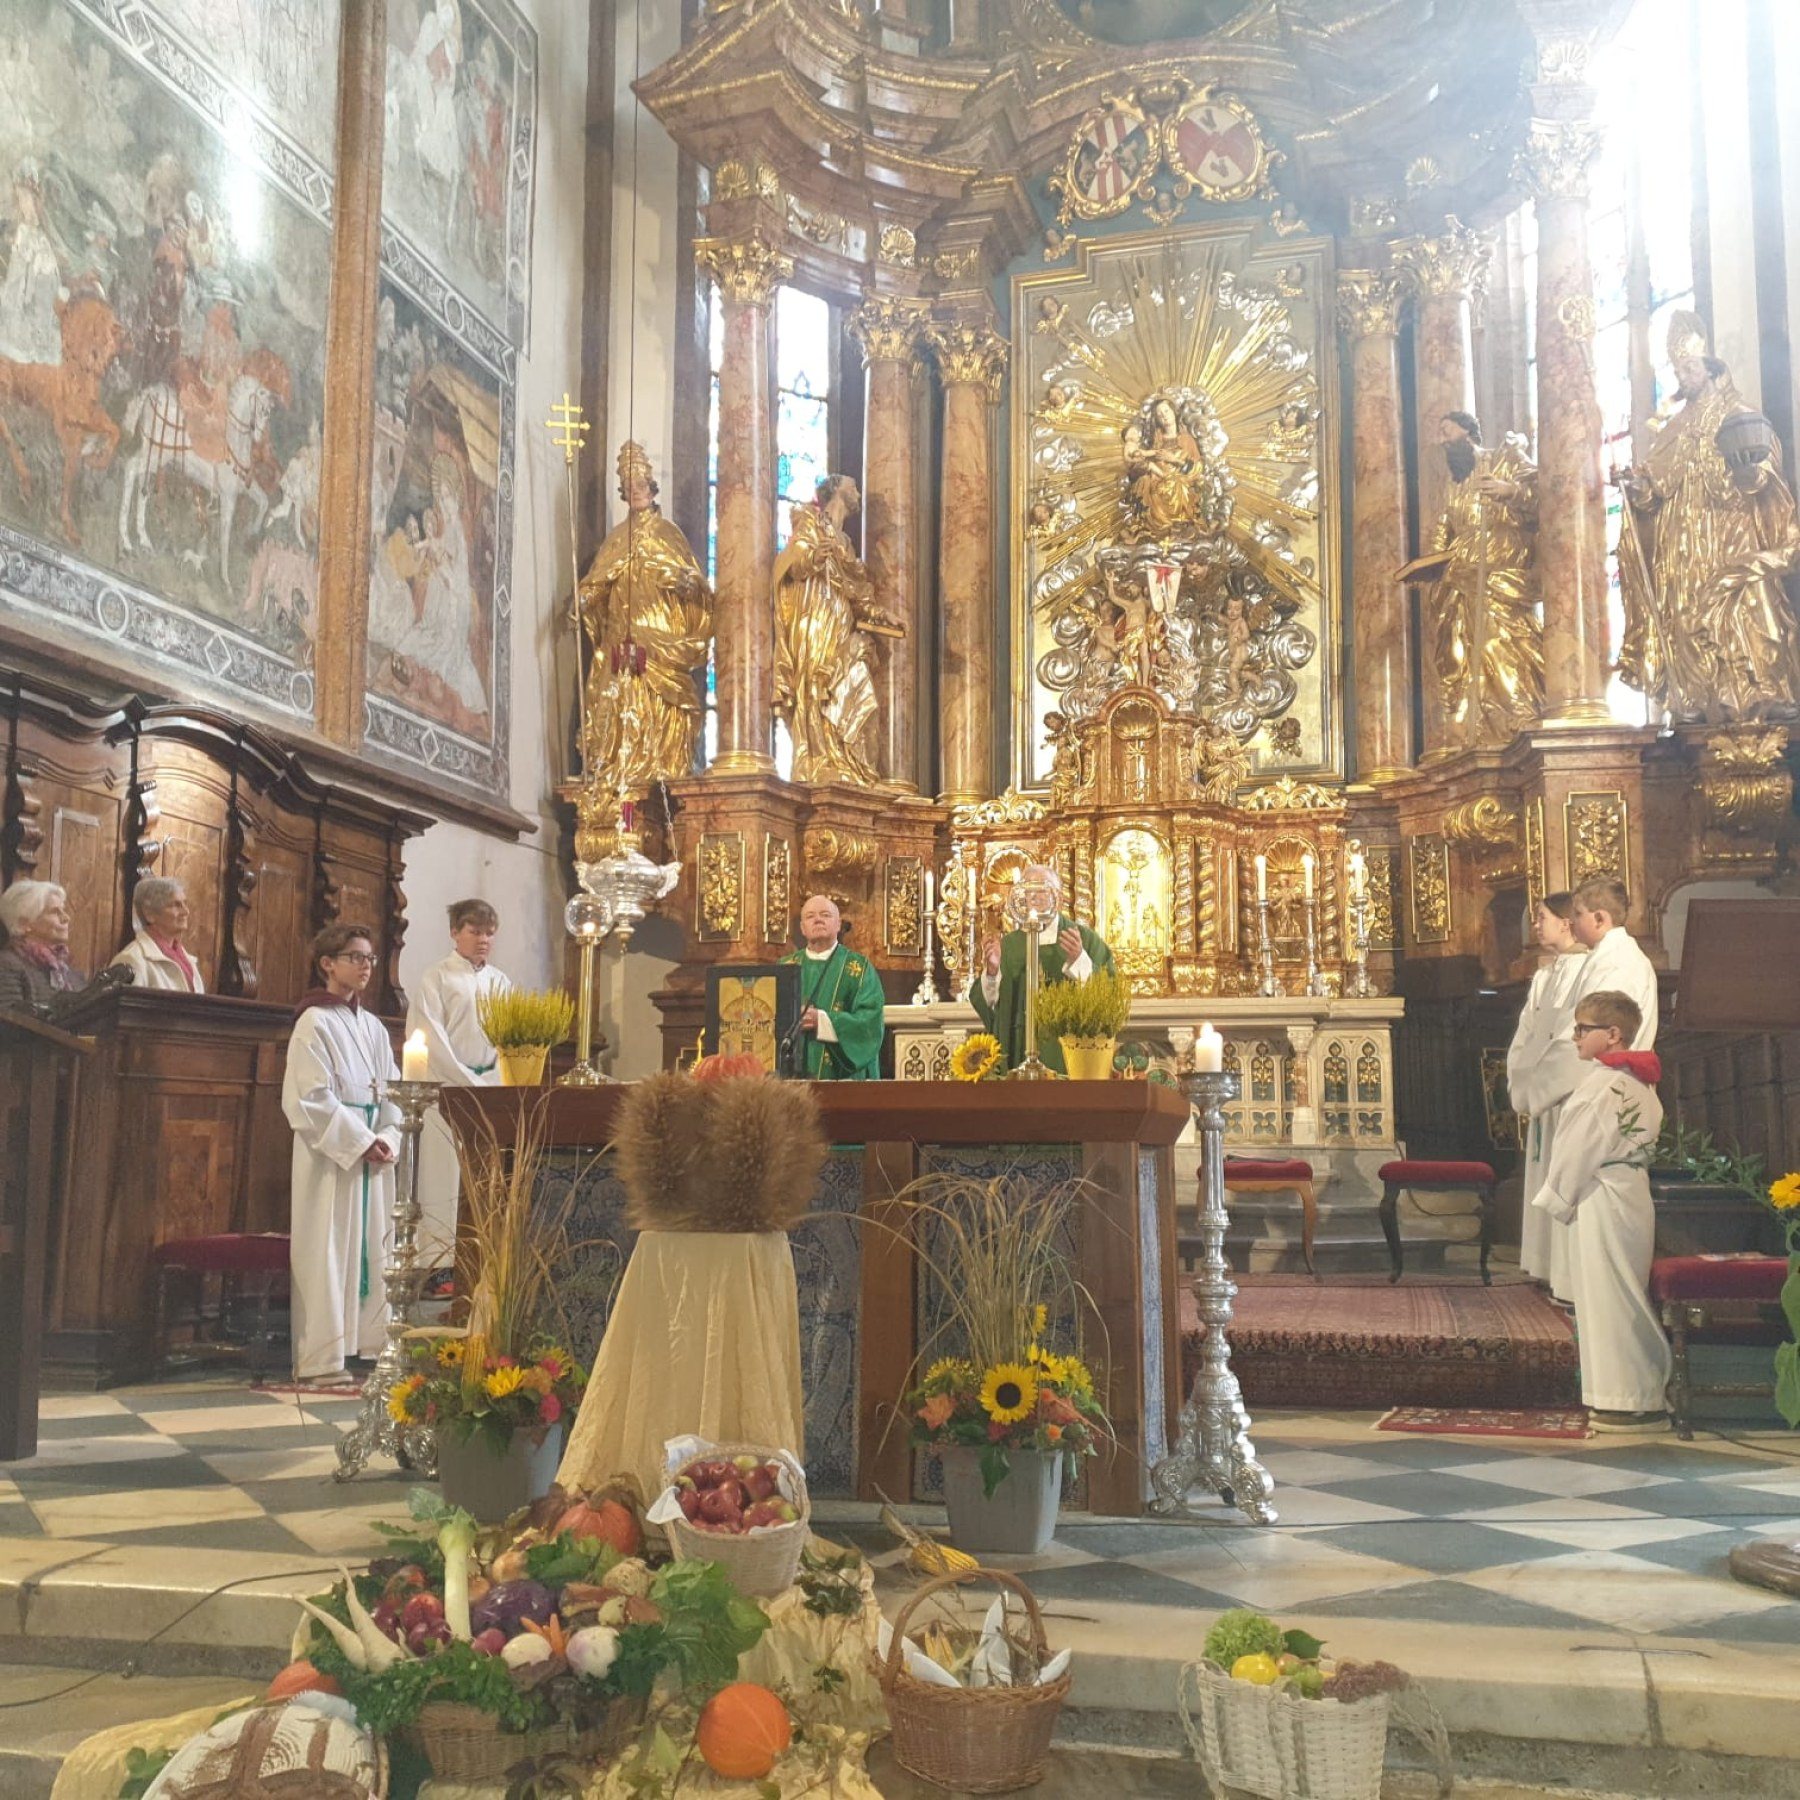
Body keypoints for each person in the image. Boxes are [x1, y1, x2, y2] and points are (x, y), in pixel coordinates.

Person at [1617, 311, 1800, 723]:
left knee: (1745, 600)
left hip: (1731, 524)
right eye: (1678, 368)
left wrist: (1751, 472)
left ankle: (1760, 689)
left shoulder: (1738, 412)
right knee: (1685, 612)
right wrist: (1635, 485)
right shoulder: (1674, 426)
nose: (1683, 375)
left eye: (1690, 366)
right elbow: (1655, 488)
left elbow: (1763, 470)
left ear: (1710, 366)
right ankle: (1697, 697)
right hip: (1682, 537)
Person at [1530, 990, 1671, 1432]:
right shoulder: (1636, 1082)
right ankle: (1632, 1391)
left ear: (1613, 1034)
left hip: (1603, 1192)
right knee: (1621, 1288)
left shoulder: (1604, 1084)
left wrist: (1556, 1198)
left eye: (1582, 1028)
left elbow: (1577, 1147)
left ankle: (1627, 1397)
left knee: (1609, 1293)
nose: (1574, 1037)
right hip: (1627, 1190)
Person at [283, 923, 401, 1385]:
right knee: (328, 1248)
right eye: (355, 957)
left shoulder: (371, 1025)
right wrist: (359, 1140)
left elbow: (393, 1087)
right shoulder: (313, 1021)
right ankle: (323, 1356)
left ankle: (369, 1344)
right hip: (333, 1156)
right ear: (327, 964)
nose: (366, 966)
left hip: (373, 1150)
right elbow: (308, 1098)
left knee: (374, 1245)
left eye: (370, 958)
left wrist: (388, 1136)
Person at [578, 441, 713, 793]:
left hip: (661, 638)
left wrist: (682, 582)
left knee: (660, 707)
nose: (635, 492)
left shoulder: (669, 534)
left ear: (651, 488)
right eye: (629, 486)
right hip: (622, 639)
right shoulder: (616, 539)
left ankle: (662, 768)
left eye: (641, 485)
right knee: (621, 701)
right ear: (623, 493)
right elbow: (598, 582)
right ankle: (618, 769)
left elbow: (697, 586)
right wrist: (583, 600)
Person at [1404, 412, 1544, 746]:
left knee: (1500, 640)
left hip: (1499, 569)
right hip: (1459, 576)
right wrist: (1429, 564)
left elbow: (1544, 496)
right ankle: (1477, 724)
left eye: (1446, 429)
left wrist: (1508, 490)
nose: (1442, 438)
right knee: (1462, 651)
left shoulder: (1504, 458)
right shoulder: (1455, 485)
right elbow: (1443, 528)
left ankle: (1519, 712)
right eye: (1439, 432)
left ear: (1468, 430)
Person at [772, 474, 901, 787]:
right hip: (814, 617)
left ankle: (846, 764)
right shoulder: (810, 522)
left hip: (841, 620)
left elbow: (856, 592)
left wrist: (882, 613)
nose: (857, 491)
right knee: (818, 686)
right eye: (851, 486)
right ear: (834, 491)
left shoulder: (845, 543)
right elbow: (794, 564)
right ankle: (820, 761)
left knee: (861, 695)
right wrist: (816, 555)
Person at [407, 898, 511, 1267]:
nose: (483, 939)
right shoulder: (437, 977)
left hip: (492, 1088)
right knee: (445, 1176)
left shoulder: (500, 982)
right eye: (474, 931)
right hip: (448, 1090)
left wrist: (497, 1080)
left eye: (489, 933)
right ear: (455, 932)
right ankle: (439, 1263)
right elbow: (430, 1037)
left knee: (486, 1176)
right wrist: (468, 1081)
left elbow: (509, 1039)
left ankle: (480, 1257)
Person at [1504, 892, 1586, 1290]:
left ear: (1566, 922)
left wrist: (1543, 1084)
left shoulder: (1587, 969)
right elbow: (1526, 1033)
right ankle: (1546, 1267)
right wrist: (1522, 1079)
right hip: (1541, 1091)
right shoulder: (1546, 974)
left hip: (1563, 1093)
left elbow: (1572, 1036)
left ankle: (1567, 1275)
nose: (1536, 925)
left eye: (1542, 917)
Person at [969, 863, 1115, 1073]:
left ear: (1059, 898)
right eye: (1029, 891)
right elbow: (990, 1004)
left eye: (1041, 890)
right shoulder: (1009, 945)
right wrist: (992, 973)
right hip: (1018, 1048)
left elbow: (1108, 994)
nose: (1034, 897)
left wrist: (1079, 960)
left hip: (1067, 1051)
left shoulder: (1083, 939)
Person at [779, 893, 886, 1080]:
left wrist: (822, 1020)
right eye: (810, 916)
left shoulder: (859, 968)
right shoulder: (785, 967)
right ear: (803, 928)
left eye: (825, 915)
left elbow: (870, 1022)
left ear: (838, 925)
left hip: (842, 1081)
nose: (818, 919)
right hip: (789, 1080)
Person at [0, 880, 88, 1013]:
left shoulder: (74, 977)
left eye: (63, 910)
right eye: (55, 912)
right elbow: (9, 1026)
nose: (66, 918)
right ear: (25, 924)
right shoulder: (7, 965)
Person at [110, 876, 205, 993]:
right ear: (149, 913)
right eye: (176, 905)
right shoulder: (132, 959)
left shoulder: (188, 960)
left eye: (185, 904)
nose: (186, 912)